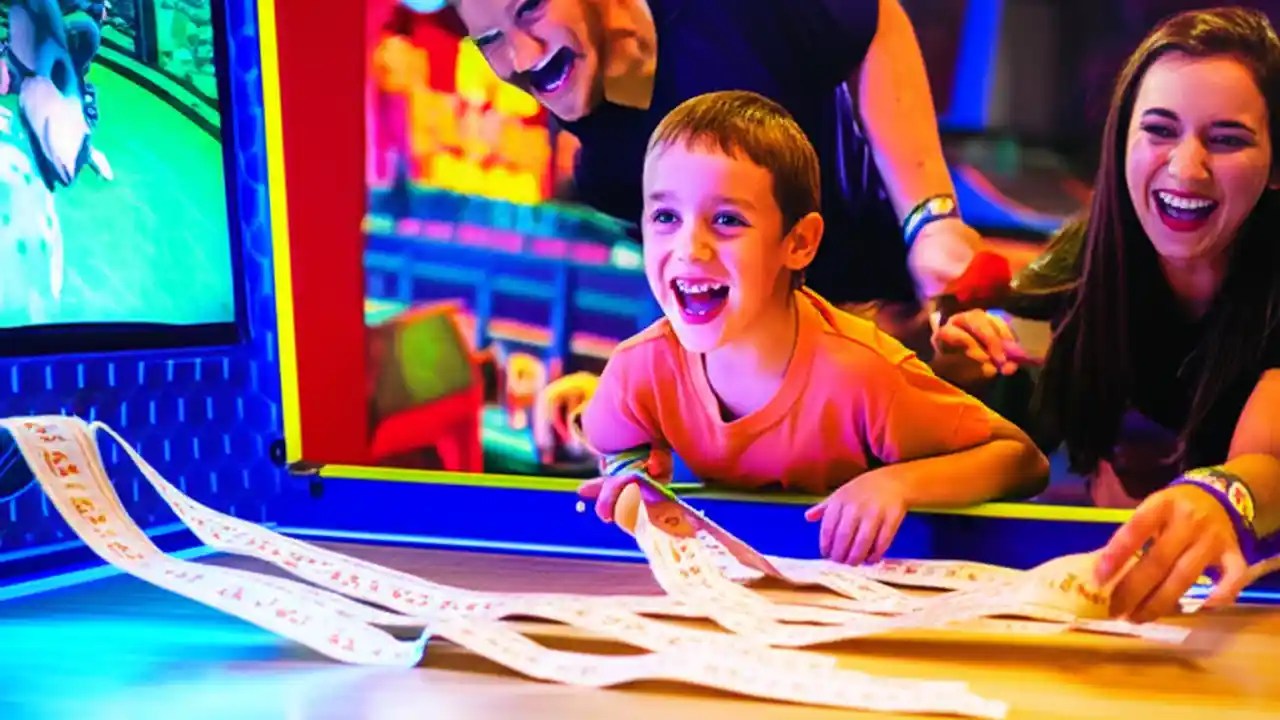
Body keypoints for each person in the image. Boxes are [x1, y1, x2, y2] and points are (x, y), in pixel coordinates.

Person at [575, 90, 1049, 566]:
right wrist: (630, 473)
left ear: (799, 242)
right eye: (665, 217)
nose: (689, 249)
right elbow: (617, 448)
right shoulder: (639, 369)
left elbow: (1021, 459)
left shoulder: (863, 375)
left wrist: (897, 483)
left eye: (726, 220)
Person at [931, 7, 1280, 621]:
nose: (1185, 167)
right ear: (1123, 141)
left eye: (1226, 139)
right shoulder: (1085, 258)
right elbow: (993, 389)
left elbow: (1266, 468)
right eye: (1160, 130)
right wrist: (960, 367)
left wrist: (1218, 497)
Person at [445, 0, 987, 347]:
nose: (519, 57)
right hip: (841, 363)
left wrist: (929, 222)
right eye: (490, 42)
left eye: (531, 9)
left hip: (931, 296)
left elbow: (872, 22)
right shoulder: (607, 168)